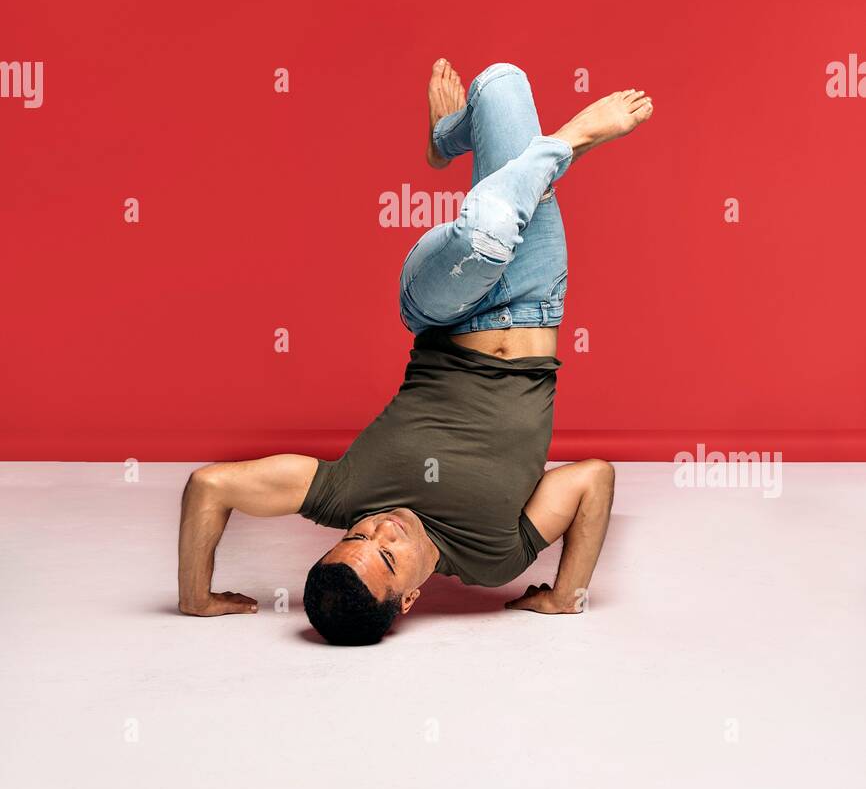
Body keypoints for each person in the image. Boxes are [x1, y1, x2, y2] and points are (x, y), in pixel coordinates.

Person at [177, 60, 653, 643]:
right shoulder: (493, 557)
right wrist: (565, 596)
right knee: (502, 83)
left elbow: (210, 486)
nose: (381, 530)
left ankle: (571, 139)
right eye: (387, 557)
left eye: (357, 538)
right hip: (534, 297)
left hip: (444, 303)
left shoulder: (344, 494)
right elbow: (594, 479)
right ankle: (447, 139)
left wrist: (195, 598)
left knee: (485, 233)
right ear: (407, 600)